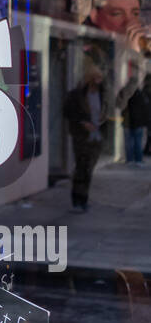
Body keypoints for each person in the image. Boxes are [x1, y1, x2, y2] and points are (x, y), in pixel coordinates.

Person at [64, 51, 110, 211]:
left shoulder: (103, 94)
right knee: (81, 168)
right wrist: (83, 122)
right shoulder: (76, 95)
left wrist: (104, 118)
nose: (99, 81)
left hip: (97, 137)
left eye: (100, 78)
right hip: (81, 136)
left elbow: (107, 109)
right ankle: (77, 198)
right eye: (96, 78)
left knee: (89, 169)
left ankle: (84, 199)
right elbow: (68, 112)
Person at [117, 61, 151, 164]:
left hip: (129, 121)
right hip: (136, 122)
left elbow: (118, 104)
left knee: (131, 142)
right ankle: (137, 160)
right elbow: (145, 109)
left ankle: (131, 159)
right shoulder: (140, 94)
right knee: (136, 141)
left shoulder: (126, 92)